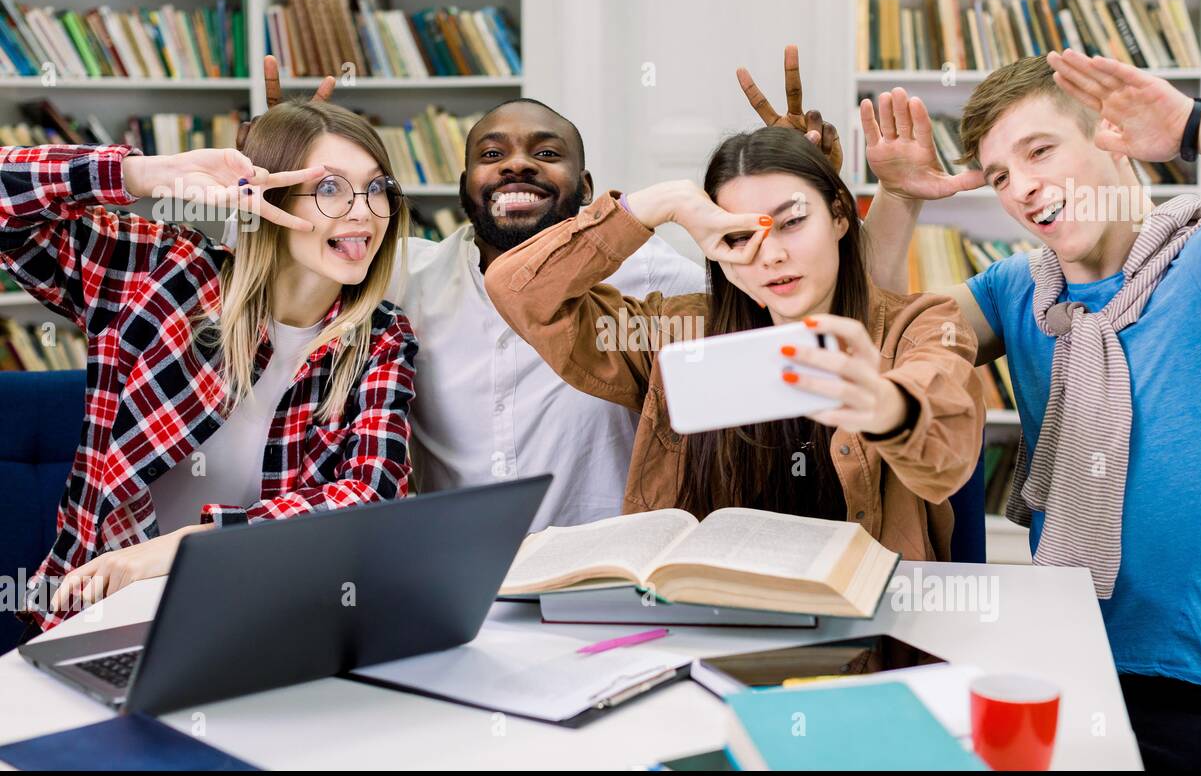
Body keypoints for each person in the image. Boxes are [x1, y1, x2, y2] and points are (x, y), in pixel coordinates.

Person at [863, 50, 1201, 770]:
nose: (1025, 189)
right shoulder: (1016, 291)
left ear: (1110, 132)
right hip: (1055, 671)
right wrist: (899, 199)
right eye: (1000, 176)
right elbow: (883, 348)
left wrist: (1190, 122)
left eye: (1040, 151)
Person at [249, 46, 843, 531]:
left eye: (547, 153)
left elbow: (790, 315)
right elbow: (284, 275)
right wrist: (282, 171)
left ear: (586, 188)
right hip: (454, 582)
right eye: (491, 154)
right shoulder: (405, 276)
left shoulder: (652, 276)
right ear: (464, 189)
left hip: (607, 580)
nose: (517, 165)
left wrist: (792, 191)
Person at [0, 100, 419, 634]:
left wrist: (186, 547)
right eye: (331, 188)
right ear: (267, 196)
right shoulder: (163, 272)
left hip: (266, 620)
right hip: (104, 616)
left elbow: (373, 497)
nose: (364, 212)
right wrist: (147, 173)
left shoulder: (382, 336)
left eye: (378, 188)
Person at [484, 123, 984, 559]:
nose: (771, 256)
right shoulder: (677, 336)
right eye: (742, 236)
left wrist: (884, 406)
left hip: (863, 640)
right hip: (705, 630)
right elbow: (519, 291)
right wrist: (663, 204)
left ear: (838, 216)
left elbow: (945, 449)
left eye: (791, 223)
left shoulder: (919, 323)